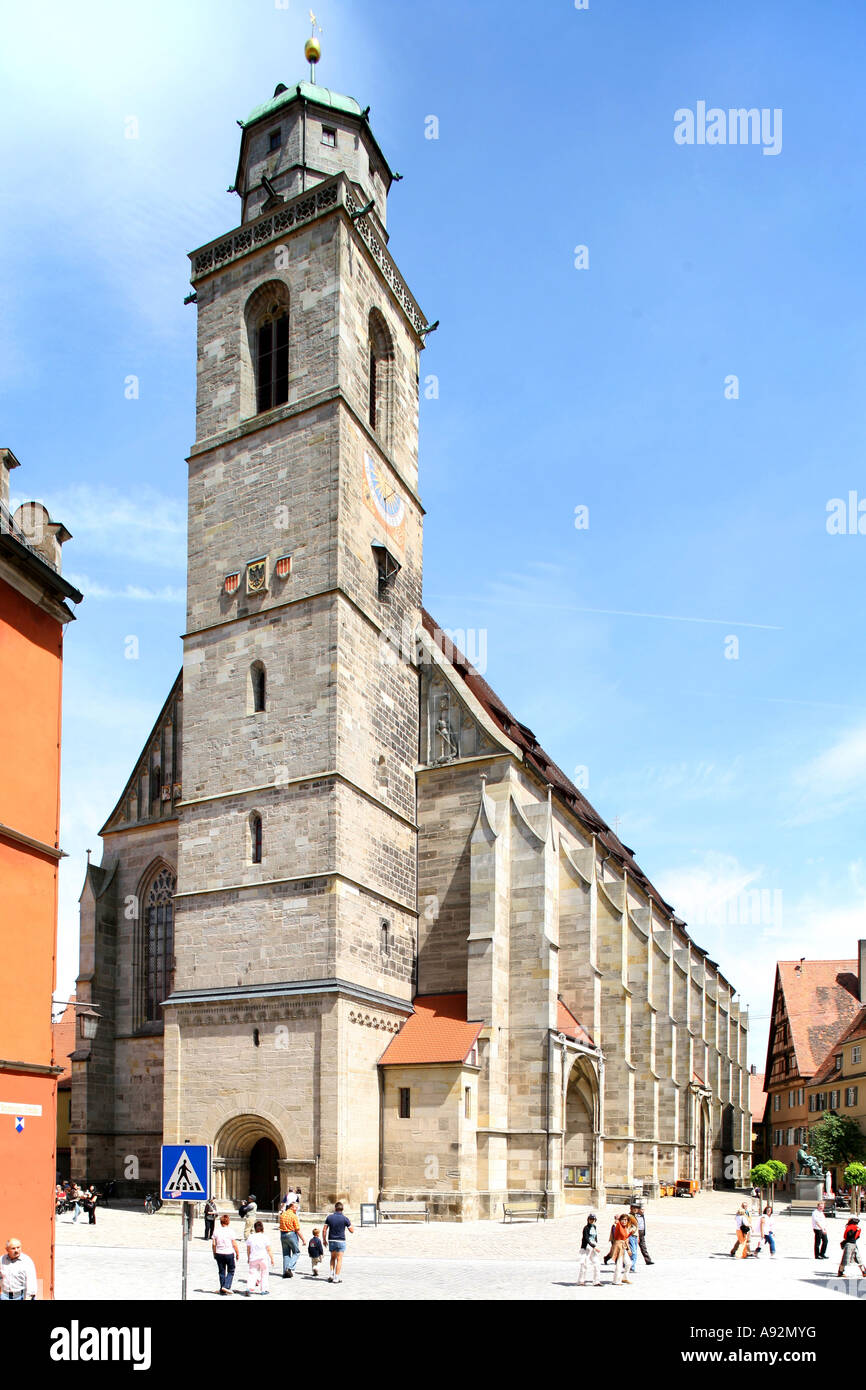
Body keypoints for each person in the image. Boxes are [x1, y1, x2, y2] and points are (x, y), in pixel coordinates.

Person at [324, 1202, 353, 1284]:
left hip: (331, 1240)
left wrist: (324, 1239)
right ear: (342, 1209)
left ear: (335, 1208)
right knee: (339, 1259)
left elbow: (324, 1229)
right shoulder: (345, 1218)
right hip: (341, 1240)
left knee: (332, 1258)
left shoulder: (329, 1217)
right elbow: (352, 1231)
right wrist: (350, 1224)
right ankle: (336, 1278)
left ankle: (331, 1275)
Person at [245, 1219, 275, 1295]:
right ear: (262, 1228)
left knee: (252, 1273)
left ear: (255, 1229)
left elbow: (248, 1249)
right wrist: (272, 1259)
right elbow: (269, 1249)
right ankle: (264, 1289)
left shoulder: (251, 1237)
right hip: (263, 1257)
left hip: (253, 1257)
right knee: (264, 1273)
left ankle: (249, 1288)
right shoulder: (265, 1237)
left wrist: (248, 1257)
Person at [212, 1213, 240, 1295]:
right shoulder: (231, 1231)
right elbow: (234, 1244)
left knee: (221, 1271)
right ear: (228, 1222)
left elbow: (214, 1244)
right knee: (231, 1270)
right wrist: (237, 1253)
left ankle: (222, 1289)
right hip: (228, 1253)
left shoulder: (216, 1231)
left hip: (219, 1253)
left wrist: (214, 1253)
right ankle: (226, 1286)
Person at [279, 1200, 305, 1278]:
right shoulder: (294, 1216)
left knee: (286, 1254)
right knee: (296, 1252)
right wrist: (303, 1239)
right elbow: (297, 1229)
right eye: (295, 1207)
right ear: (291, 1207)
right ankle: (289, 1267)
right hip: (291, 1234)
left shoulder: (283, 1214)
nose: (296, 1209)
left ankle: (285, 1272)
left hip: (283, 1235)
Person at [577, 1213, 602, 1286]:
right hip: (587, 1247)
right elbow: (586, 1238)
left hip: (593, 1245)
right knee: (585, 1264)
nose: (591, 1220)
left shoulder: (594, 1227)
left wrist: (596, 1244)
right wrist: (593, 1246)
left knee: (597, 1263)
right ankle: (581, 1281)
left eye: (593, 1219)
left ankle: (596, 1281)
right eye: (590, 1219)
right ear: (588, 1220)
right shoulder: (586, 1228)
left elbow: (595, 1237)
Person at [611, 1214, 633, 1285]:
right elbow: (623, 1235)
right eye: (623, 1220)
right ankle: (616, 1281)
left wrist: (628, 1249)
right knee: (619, 1264)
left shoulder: (625, 1228)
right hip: (618, 1246)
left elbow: (625, 1238)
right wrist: (617, 1222)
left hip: (623, 1246)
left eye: (626, 1220)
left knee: (628, 1263)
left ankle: (625, 1278)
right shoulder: (619, 1226)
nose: (624, 1221)